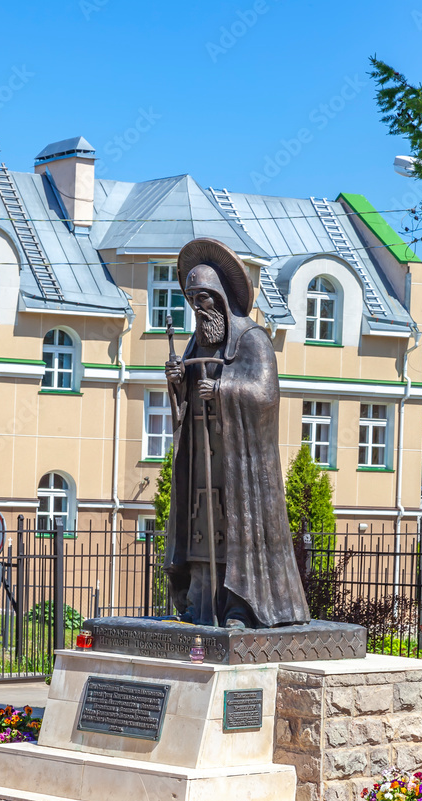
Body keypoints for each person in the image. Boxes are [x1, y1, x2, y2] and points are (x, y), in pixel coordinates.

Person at [163, 237, 309, 629]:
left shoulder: (252, 339)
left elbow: (265, 394)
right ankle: (200, 605)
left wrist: (222, 388)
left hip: (240, 465)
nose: (198, 308)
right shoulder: (197, 341)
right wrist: (177, 380)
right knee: (201, 530)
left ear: (223, 297)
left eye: (204, 298)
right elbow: (187, 394)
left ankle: (240, 608)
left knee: (236, 533)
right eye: (192, 299)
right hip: (202, 457)